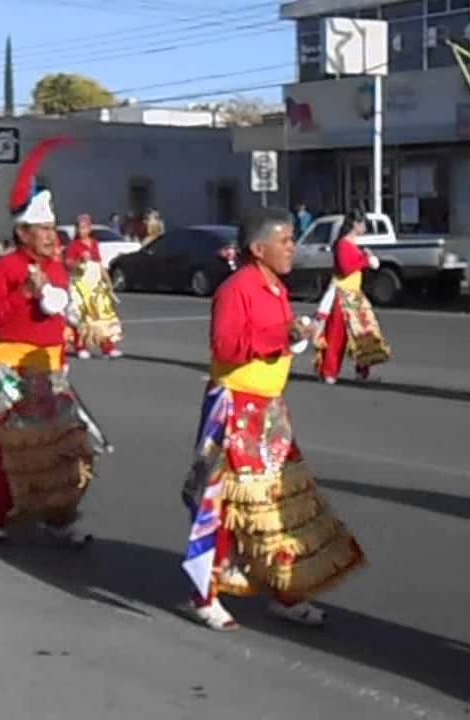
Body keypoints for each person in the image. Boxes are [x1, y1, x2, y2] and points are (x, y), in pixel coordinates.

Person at [181, 207, 366, 631]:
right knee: (225, 505)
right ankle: (203, 593)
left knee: (282, 504)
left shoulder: (275, 288)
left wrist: (296, 337)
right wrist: (282, 336)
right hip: (234, 407)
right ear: (258, 248)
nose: (292, 248)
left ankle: (286, 591)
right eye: (285, 241)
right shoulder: (235, 289)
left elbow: (272, 342)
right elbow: (227, 346)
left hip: (267, 408)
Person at [0, 137, 108, 547]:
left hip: (51, 368)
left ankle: (58, 515)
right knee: (2, 447)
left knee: (59, 448)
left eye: (52, 228)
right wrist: (24, 291)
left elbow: (62, 312)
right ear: (22, 232)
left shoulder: (56, 268)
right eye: (42, 229)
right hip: (10, 370)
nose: (51, 235)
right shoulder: (4, 269)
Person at [314, 211, 391, 383]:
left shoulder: (353, 245)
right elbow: (346, 268)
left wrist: (367, 259)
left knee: (364, 335)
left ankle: (362, 372)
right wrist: (365, 260)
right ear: (355, 224)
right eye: (362, 223)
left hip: (355, 294)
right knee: (337, 336)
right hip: (342, 294)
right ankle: (329, 372)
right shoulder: (343, 245)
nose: (364, 227)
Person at [65, 213, 123, 359]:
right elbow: (69, 264)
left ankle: (107, 348)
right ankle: (81, 346)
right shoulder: (73, 246)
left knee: (102, 317)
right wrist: (80, 263)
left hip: (95, 286)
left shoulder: (94, 244)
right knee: (82, 318)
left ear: (89, 228)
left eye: (84, 227)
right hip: (80, 286)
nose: (81, 230)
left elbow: (99, 265)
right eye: (78, 227)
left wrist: (108, 282)